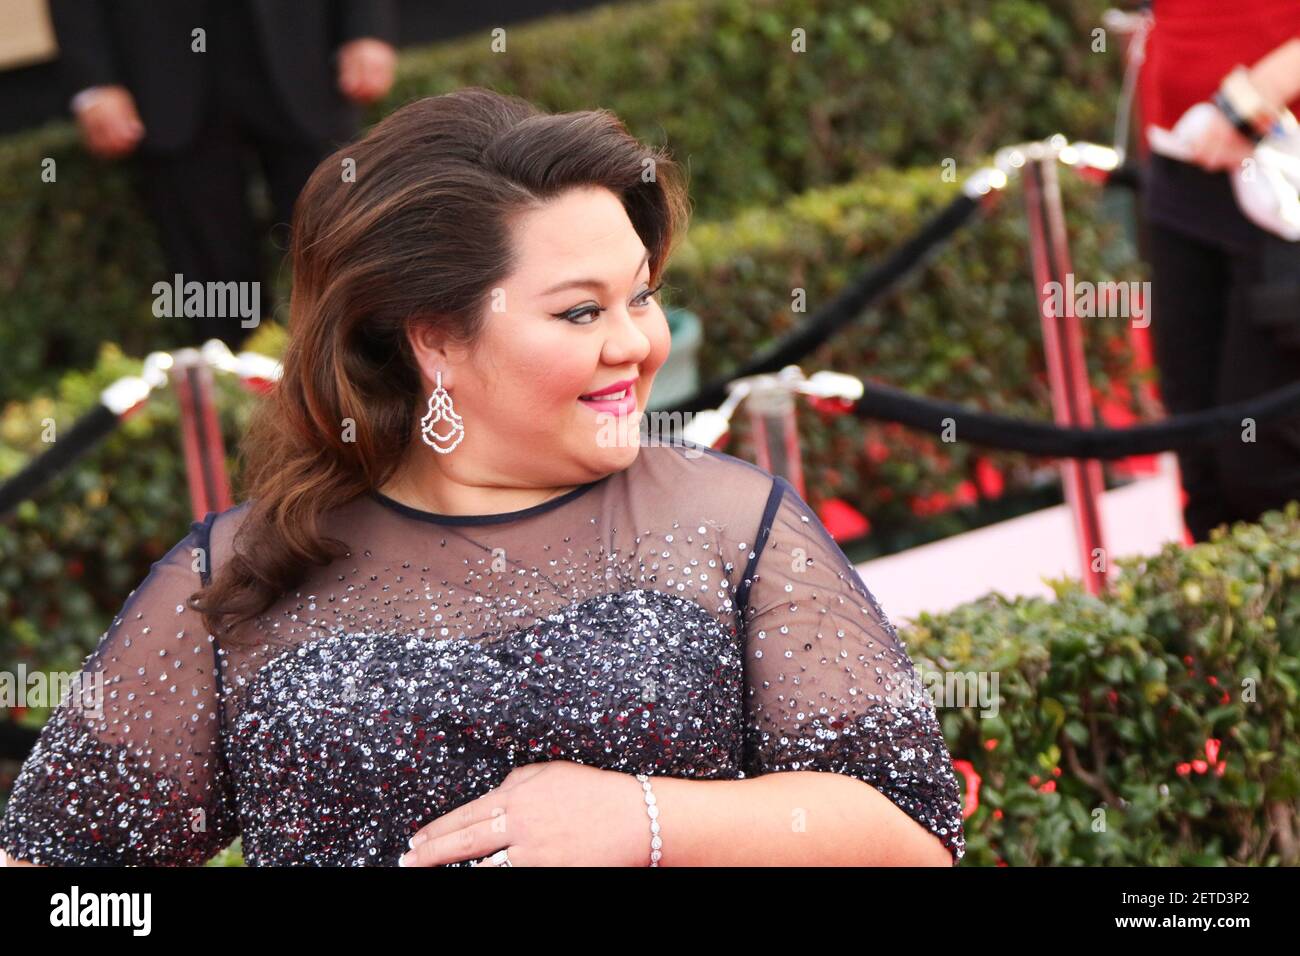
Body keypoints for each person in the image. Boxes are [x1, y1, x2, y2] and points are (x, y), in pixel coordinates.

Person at [0, 88, 964, 867]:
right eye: (580, 313)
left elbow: (911, 839)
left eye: (642, 295)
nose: (636, 344)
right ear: (435, 339)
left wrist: (648, 820)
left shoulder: (730, 522)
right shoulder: (249, 566)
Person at [50, 0, 398, 350]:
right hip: (160, 68)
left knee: (347, 246)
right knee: (215, 294)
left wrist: (367, 25)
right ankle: (241, 387)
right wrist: (93, 82)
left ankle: (383, 384)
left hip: (307, 49)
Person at [1139, 1, 1300, 541]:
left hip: (1282, 172)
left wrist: (1247, 105)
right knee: (1199, 454)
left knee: (1264, 460)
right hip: (1179, 162)